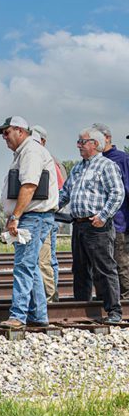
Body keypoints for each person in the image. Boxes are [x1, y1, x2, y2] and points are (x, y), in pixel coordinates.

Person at [0, 116, 58, 329]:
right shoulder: (25, 151)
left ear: (20, 130)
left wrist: (16, 216)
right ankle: (39, 315)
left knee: (23, 265)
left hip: (33, 217)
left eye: (7, 132)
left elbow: (29, 185)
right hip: (33, 216)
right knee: (30, 266)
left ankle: (18, 316)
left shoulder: (30, 151)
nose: (4, 137)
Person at [58, 126, 124, 324]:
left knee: (104, 268)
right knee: (79, 269)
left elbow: (117, 193)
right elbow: (65, 194)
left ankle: (114, 310)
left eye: (82, 141)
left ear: (94, 144)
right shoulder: (78, 167)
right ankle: (81, 308)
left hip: (97, 225)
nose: (78, 145)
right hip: (78, 225)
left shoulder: (106, 165)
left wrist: (103, 216)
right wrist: (47, 208)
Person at [92, 123, 129, 299]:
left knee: (120, 261)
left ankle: (125, 299)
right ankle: (106, 299)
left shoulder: (121, 159)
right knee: (101, 263)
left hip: (118, 220)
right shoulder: (93, 160)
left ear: (107, 138)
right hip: (97, 222)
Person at [31, 124, 66, 302]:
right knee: (45, 258)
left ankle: (50, 296)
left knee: (46, 258)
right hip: (44, 215)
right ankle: (47, 295)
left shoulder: (48, 160)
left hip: (46, 215)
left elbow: (59, 191)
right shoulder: (44, 158)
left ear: (43, 141)